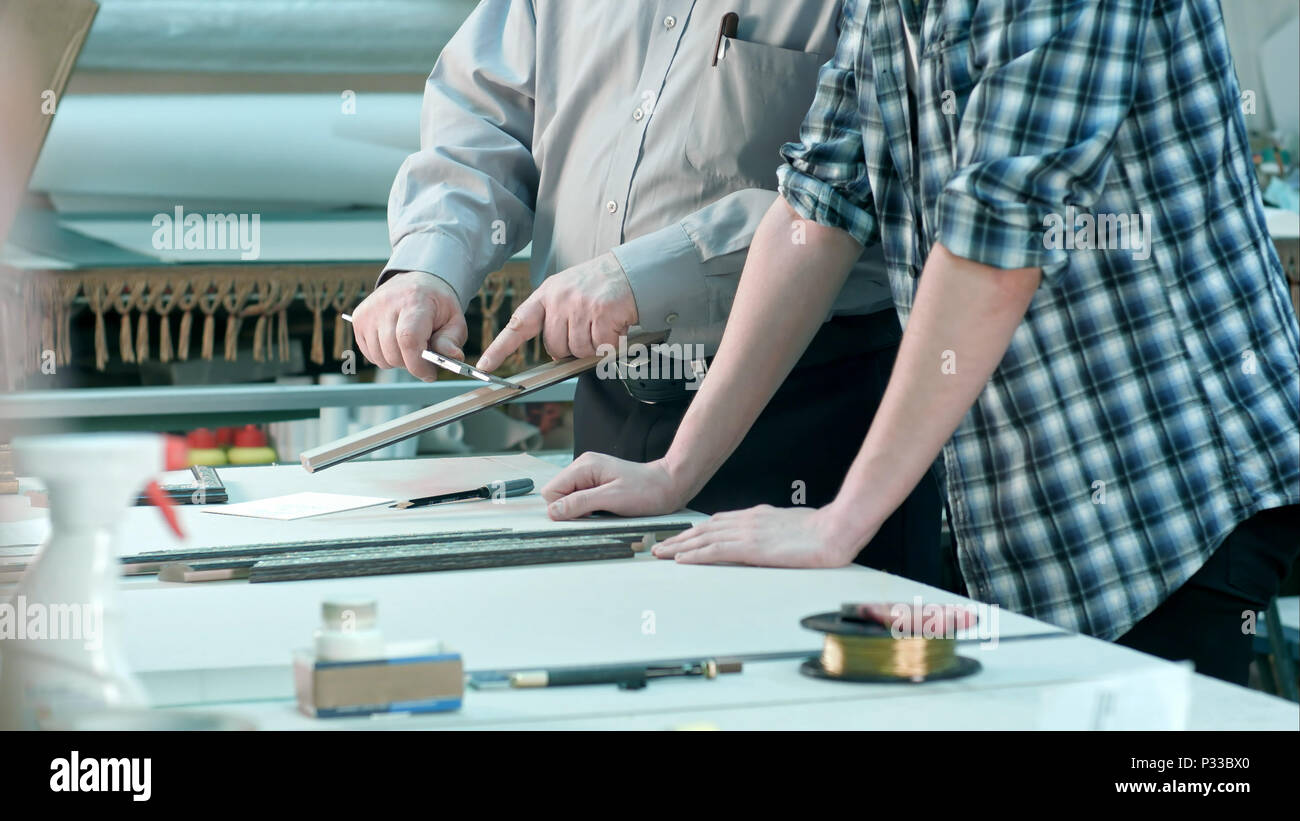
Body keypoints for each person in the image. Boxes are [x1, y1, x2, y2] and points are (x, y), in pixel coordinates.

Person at [542, 0, 1300, 685]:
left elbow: (993, 248)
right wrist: (676, 473)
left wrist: (840, 522)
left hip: (1174, 494)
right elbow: (818, 206)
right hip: (1026, 515)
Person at [349, 0, 944, 585]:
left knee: (816, 667)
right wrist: (431, 259)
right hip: (610, 405)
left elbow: (863, 197)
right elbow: (483, 115)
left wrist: (652, 272)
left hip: (816, 410)